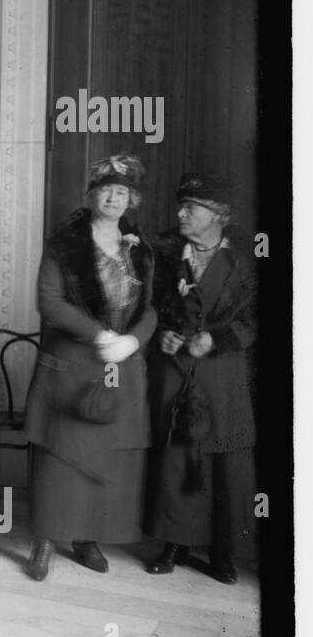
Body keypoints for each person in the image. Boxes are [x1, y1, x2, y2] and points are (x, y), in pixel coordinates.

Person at [22, 154, 156, 581]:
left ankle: (86, 539)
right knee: (61, 460)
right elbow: (49, 301)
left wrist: (133, 340)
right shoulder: (64, 244)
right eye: (106, 190)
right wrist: (100, 336)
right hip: (72, 365)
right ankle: (45, 541)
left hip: (121, 367)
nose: (114, 198)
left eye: (122, 192)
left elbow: (152, 309)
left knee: (105, 460)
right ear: (92, 194)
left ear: (130, 199)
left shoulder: (141, 248)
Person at [145, 174, 257, 584]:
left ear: (219, 215)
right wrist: (164, 334)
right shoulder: (165, 255)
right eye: (181, 206)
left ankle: (223, 553)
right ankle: (175, 542)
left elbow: (255, 319)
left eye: (190, 207)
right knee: (178, 457)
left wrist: (218, 338)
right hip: (176, 373)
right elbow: (151, 310)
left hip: (222, 373)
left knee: (224, 462)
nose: (181, 214)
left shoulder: (247, 258)